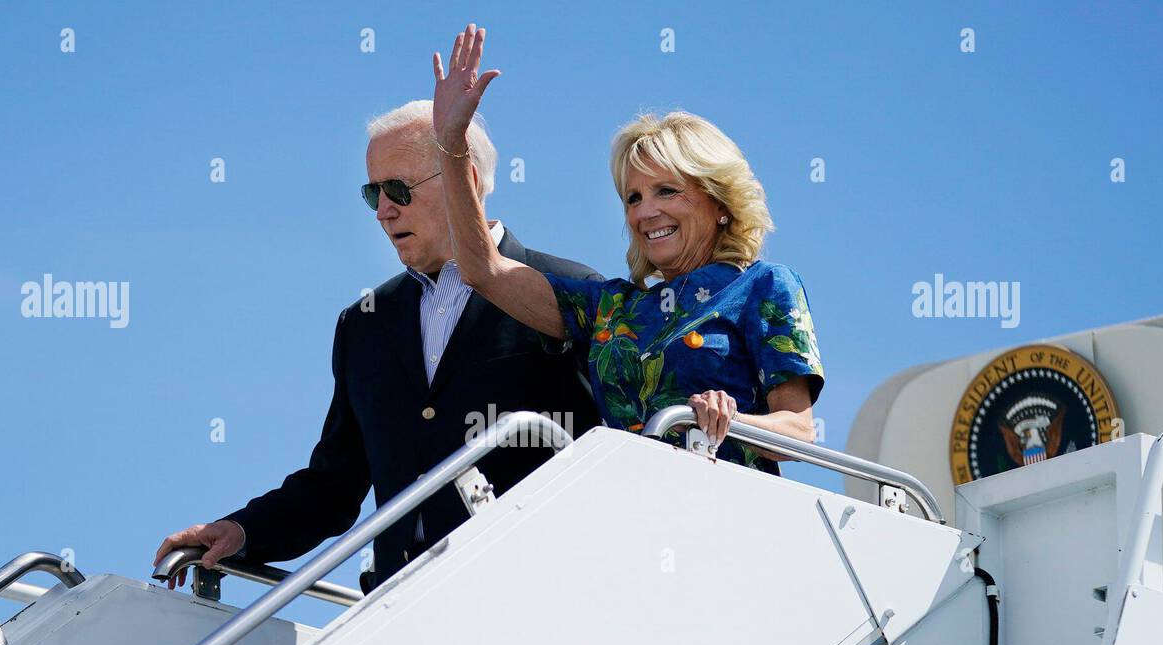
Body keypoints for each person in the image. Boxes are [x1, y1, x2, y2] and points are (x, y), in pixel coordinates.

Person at [154, 100, 602, 592]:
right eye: (373, 194)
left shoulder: (569, 291)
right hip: (400, 615)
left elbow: (612, 454)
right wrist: (241, 531)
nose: (385, 210)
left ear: (467, 182)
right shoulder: (364, 325)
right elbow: (334, 486)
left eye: (399, 190)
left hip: (538, 602)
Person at [430, 25, 824, 471]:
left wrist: (729, 421)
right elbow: (483, 269)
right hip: (628, 518)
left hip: (726, 519)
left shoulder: (764, 286)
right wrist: (452, 143)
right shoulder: (608, 307)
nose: (645, 212)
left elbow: (799, 432)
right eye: (633, 198)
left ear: (719, 202)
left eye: (666, 191)